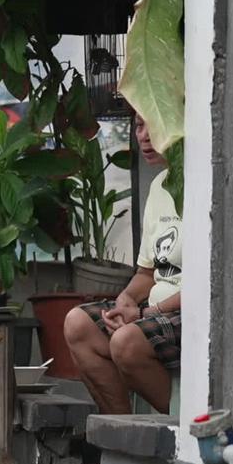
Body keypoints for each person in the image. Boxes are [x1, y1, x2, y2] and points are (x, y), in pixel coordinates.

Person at [64, 114, 181, 414]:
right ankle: (122, 429)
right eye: (139, 125)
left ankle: (184, 427)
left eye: (152, 123)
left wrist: (144, 313)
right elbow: (146, 273)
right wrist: (126, 300)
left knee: (126, 342)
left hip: (187, 314)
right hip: (152, 312)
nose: (143, 136)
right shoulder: (159, 186)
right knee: (78, 324)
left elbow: (207, 284)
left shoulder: (204, 185)